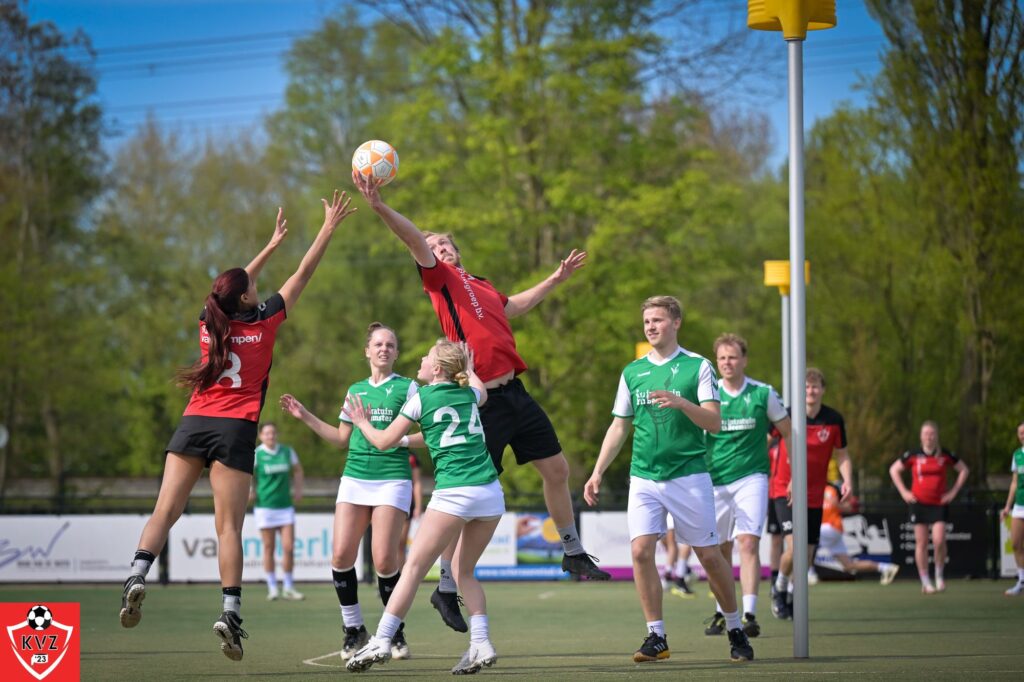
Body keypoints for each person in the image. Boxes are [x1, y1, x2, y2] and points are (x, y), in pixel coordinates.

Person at [351, 172, 608, 631]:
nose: (439, 249)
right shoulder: (439, 279)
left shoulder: (481, 284)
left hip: (516, 393)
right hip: (480, 400)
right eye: (433, 246)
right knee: (471, 498)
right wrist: (380, 207)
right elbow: (411, 236)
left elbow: (516, 307)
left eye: (445, 245)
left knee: (558, 470)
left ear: (457, 251)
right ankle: (446, 586)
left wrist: (555, 278)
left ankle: (571, 551)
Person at [117, 192, 356, 661]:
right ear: (247, 296)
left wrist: (267, 246)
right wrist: (327, 227)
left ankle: (137, 574)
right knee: (228, 527)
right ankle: (230, 612)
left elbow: (229, 287)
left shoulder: (211, 319)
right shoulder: (264, 322)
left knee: (165, 510)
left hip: (194, 423)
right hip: (235, 429)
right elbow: (302, 273)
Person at [583, 296, 754, 664]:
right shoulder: (633, 372)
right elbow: (619, 425)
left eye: (658, 319)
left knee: (709, 556)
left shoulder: (698, 367)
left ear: (676, 323)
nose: (650, 326)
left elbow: (714, 421)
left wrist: (681, 403)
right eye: (646, 320)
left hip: (688, 476)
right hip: (644, 477)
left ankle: (735, 626)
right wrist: (597, 471)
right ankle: (656, 636)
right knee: (641, 551)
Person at [345, 340, 504, 675]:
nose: (421, 358)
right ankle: (481, 642)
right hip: (490, 494)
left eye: (428, 356)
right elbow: (478, 392)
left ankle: (383, 639)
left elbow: (383, 442)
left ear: (437, 369)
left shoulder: (421, 398)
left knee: (415, 567)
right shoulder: (469, 395)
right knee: (465, 572)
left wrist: (361, 421)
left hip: (456, 493)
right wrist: (470, 367)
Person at [278, 322, 423, 661]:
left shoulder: (409, 388)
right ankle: (354, 630)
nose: (384, 348)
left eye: (390, 344)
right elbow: (341, 439)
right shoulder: (355, 389)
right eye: (378, 344)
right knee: (341, 555)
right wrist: (305, 416)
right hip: (355, 477)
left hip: (392, 479)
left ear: (397, 353)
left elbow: (430, 434)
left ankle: (393, 630)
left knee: (385, 559)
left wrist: (399, 440)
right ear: (367, 351)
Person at [703, 333, 791, 638]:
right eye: (722, 358)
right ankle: (723, 613)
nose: (727, 363)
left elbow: (787, 432)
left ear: (744, 360)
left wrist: (791, 475)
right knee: (718, 550)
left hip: (752, 477)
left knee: (748, 543)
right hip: (714, 481)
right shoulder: (707, 396)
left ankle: (750, 613)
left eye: (733, 357)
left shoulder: (763, 394)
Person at [771, 368, 854, 620]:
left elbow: (842, 454)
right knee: (794, 547)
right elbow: (764, 440)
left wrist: (847, 479)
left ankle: (796, 596)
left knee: (807, 555)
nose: (811, 391)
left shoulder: (833, 419)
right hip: (784, 489)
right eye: (806, 387)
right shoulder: (786, 415)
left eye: (815, 386)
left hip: (815, 493)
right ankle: (780, 587)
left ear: (822, 390)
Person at [889, 420, 969, 594]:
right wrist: (904, 492)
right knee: (922, 542)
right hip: (918, 503)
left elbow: (964, 470)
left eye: (932, 434)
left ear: (937, 436)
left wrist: (953, 492)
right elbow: (894, 470)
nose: (929, 437)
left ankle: (939, 575)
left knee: (939, 541)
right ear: (921, 436)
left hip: (939, 503)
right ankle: (925, 581)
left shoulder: (945, 454)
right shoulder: (913, 454)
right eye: (926, 434)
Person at [251, 422, 305, 601]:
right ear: (261, 436)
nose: (270, 436)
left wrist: (298, 490)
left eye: (273, 433)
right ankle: (272, 587)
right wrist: (250, 490)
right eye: (266, 434)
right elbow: (247, 474)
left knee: (288, 547)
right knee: (269, 547)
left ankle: (288, 586)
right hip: (265, 506)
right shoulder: (257, 454)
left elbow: (298, 471)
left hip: (285, 506)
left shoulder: (287, 451)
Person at [815, 482, 899, 583]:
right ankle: (885, 567)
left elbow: (846, 505)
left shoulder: (830, 489)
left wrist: (837, 503)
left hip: (830, 527)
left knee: (802, 540)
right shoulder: (814, 488)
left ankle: (809, 573)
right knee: (848, 566)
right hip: (833, 530)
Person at [1000, 421, 1024, 596]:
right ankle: (1022, 581)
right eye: (1021, 433)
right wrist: (1007, 506)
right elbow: (1015, 482)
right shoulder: (1017, 455)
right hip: (1019, 505)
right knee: (1015, 543)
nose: (1023, 435)